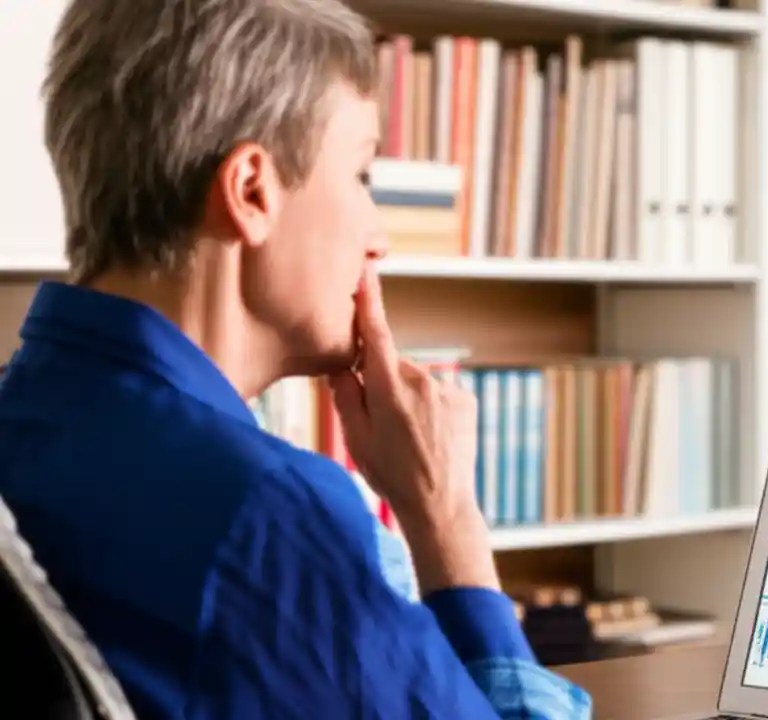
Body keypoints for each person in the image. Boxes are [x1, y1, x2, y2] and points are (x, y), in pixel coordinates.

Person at [0, 0, 591, 718]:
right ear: (252, 191)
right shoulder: (269, 517)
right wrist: (448, 518)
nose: (379, 237)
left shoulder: (20, 418)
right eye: (363, 174)